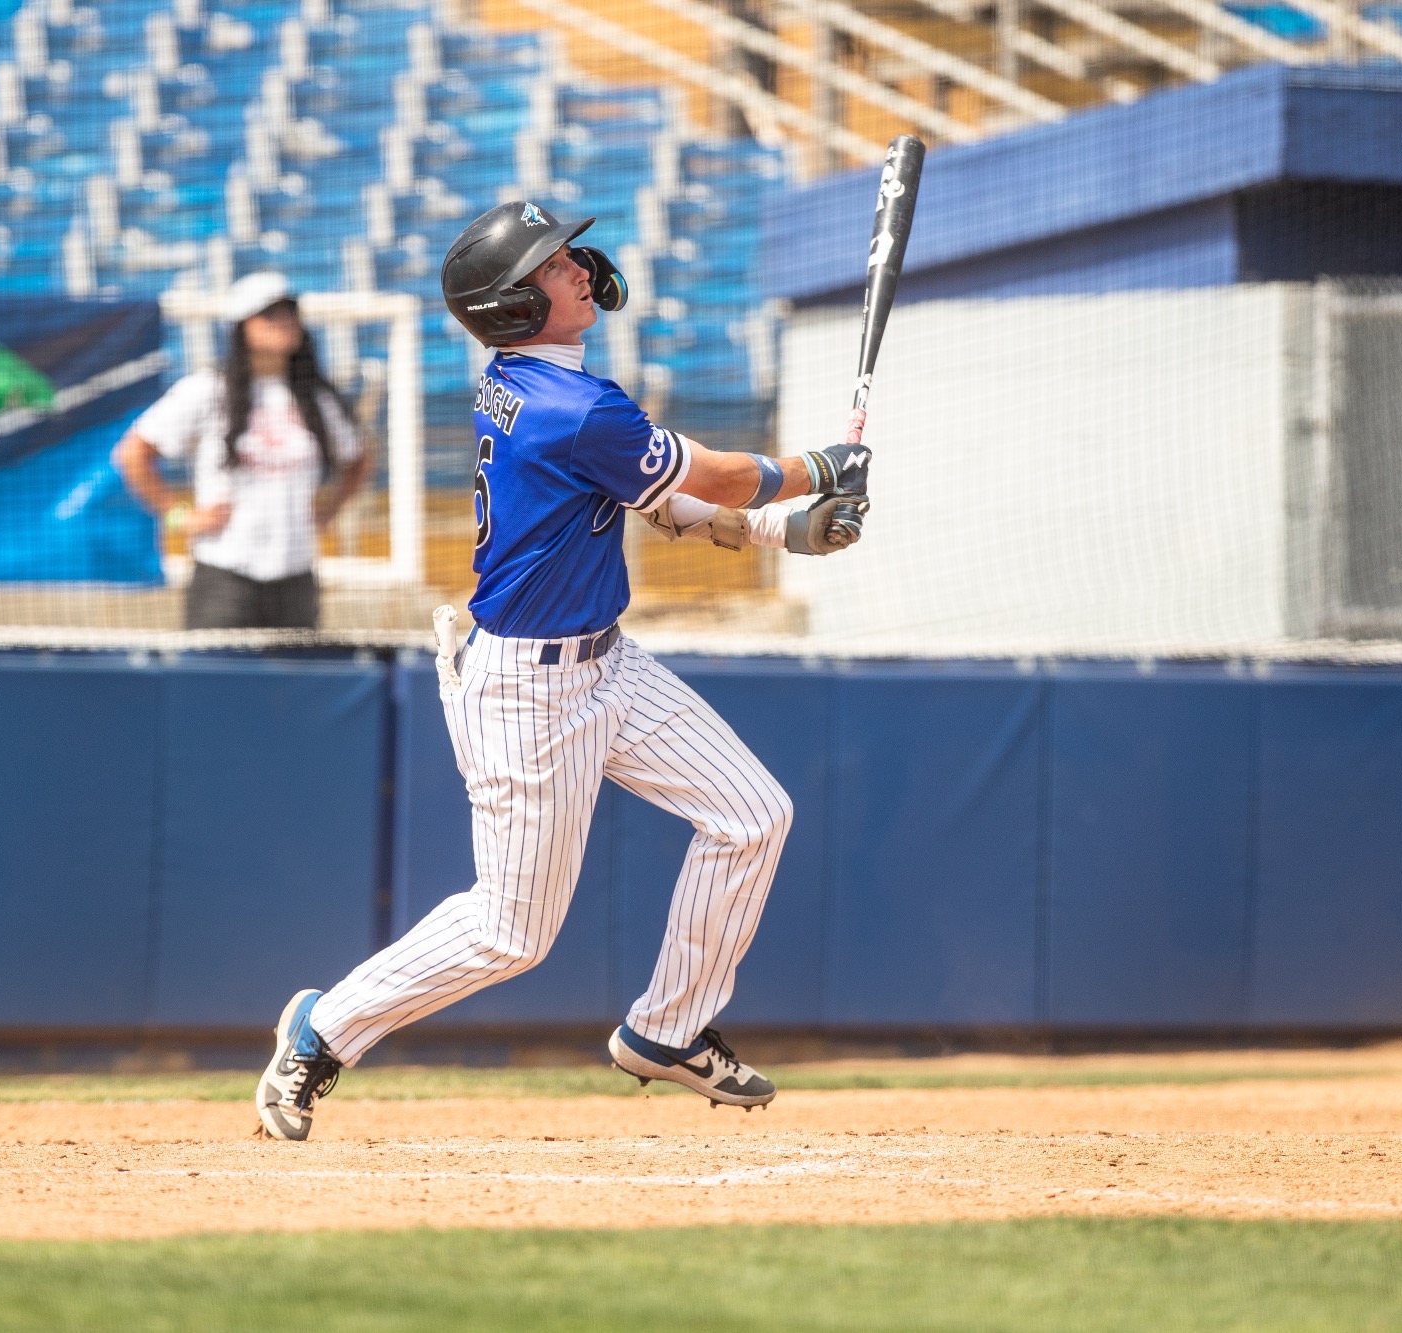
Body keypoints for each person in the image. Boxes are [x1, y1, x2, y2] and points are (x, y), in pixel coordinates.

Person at [253, 202, 870, 1141]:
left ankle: (667, 1029)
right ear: (509, 307)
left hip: (607, 665)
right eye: (551, 263)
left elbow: (660, 503)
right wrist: (815, 468)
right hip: (528, 691)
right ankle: (322, 1026)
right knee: (511, 932)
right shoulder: (571, 408)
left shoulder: (542, 390)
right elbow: (713, 474)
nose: (579, 265)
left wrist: (781, 531)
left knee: (753, 814)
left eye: (567, 252)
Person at [113, 271, 373, 630]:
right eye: (269, 314)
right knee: (216, 683)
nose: (284, 322)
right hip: (225, 579)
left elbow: (358, 457)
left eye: (289, 311)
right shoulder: (206, 390)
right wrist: (180, 516)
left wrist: (330, 508)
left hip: (296, 580)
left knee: (295, 685)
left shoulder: (315, 398)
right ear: (241, 327)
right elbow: (132, 454)